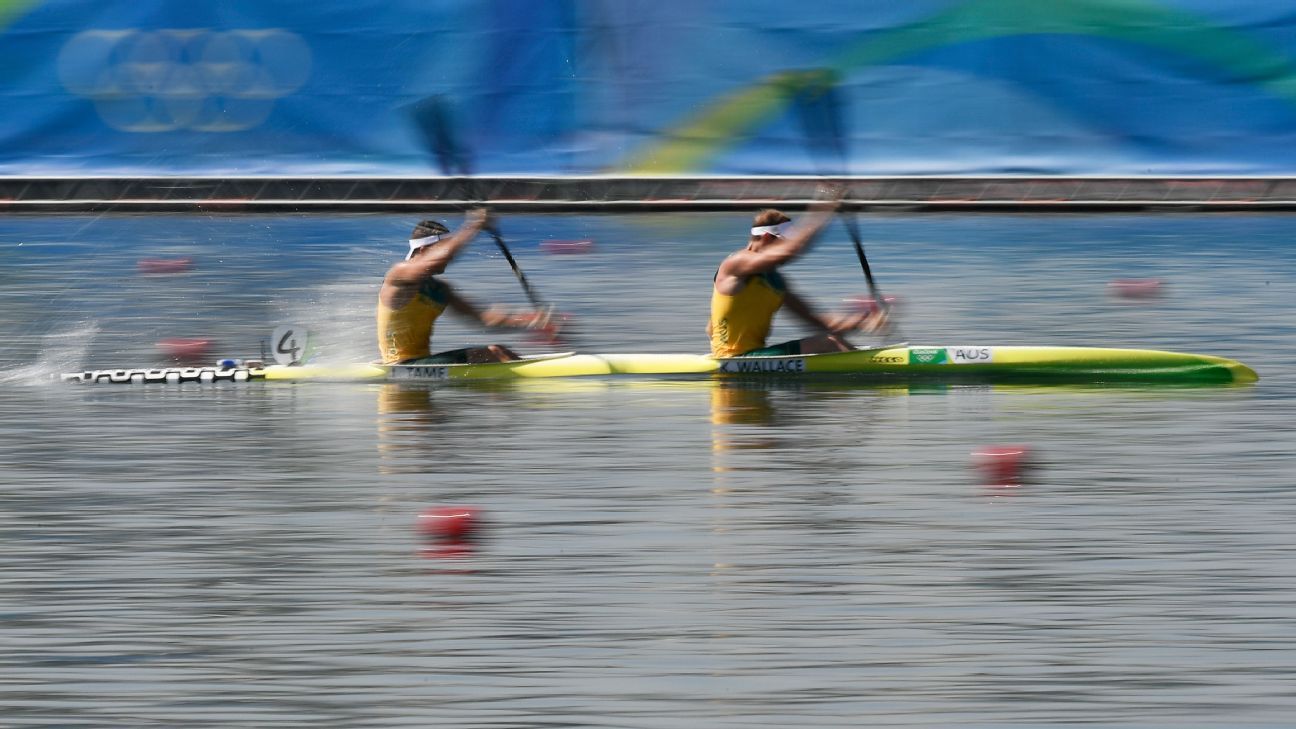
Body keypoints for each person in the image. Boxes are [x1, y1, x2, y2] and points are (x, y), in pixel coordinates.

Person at [707, 196, 888, 358]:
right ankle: (877, 372)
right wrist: (828, 206)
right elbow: (791, 251)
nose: (789, 249)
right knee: (828, 343)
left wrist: (863, 320)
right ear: (768, 238)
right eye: (784, 242)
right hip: (733, 360)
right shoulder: (735, 264)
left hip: (755, 357)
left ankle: (867, 365)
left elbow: (822, 322)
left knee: (832, 339)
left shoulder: (776, 282)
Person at [377, 209, 549, 365]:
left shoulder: (440, 289)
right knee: (494, 353)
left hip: (423, 363)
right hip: (399, 364)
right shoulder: (399, 274)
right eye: (441, 248)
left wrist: (532, 321)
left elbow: (485, 320)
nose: (450, 258)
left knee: (499, 351)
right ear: (423, 250)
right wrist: (474, 225)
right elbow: (439, 258)